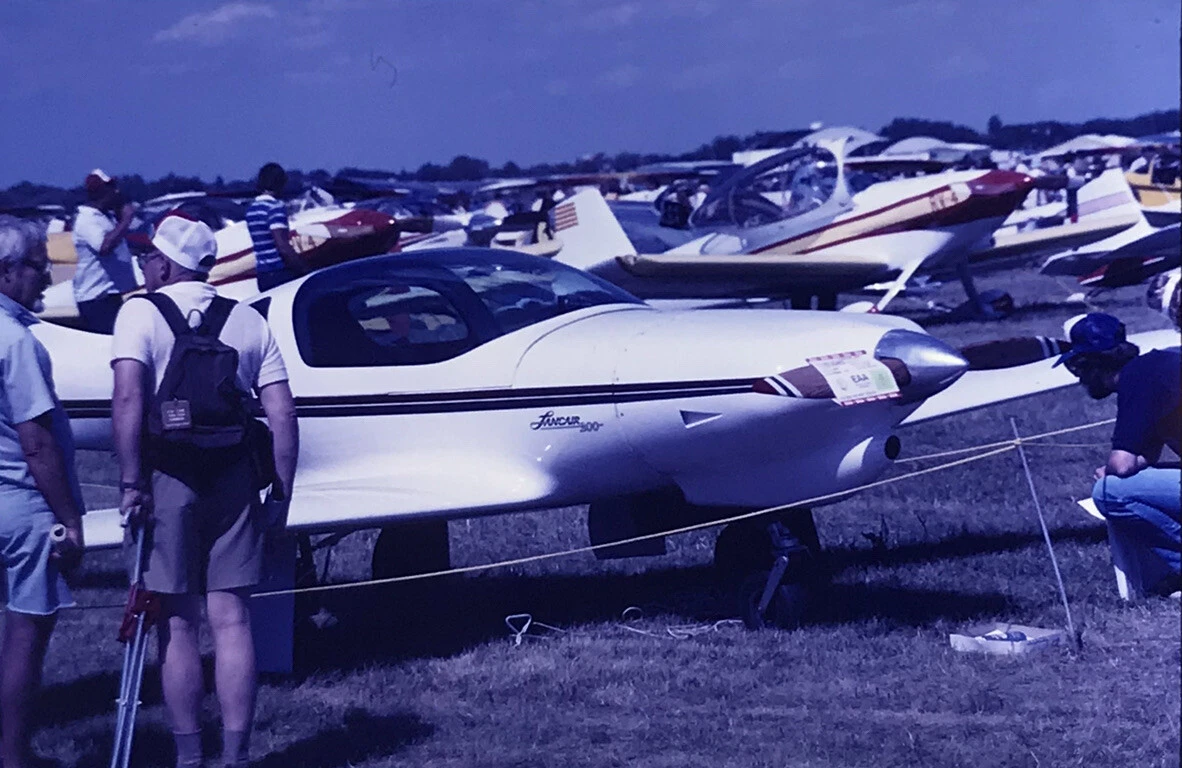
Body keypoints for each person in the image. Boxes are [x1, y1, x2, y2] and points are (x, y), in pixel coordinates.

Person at [111, 214, 299, 767]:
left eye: (149, 257)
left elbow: (127, 400)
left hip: (168, 477)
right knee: (234, 619)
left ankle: (190, 758)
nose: (145, 265)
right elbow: (283, 415)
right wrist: (280, 496)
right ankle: (237, 756)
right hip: (234, 476)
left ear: (166, 263)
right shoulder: (248, 319)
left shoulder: (139, 313)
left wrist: (128, 482)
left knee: (178, 621)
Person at [0, 215, 85, 768]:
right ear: (6, 272)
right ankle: (12, 755)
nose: (48, 281)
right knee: (25, 638)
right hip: (22, 507)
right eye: (38, 267)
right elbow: (37, 444)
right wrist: (71, 519)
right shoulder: (17, 343)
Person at [1056, 312, 1181, 599]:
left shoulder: (1136, 379)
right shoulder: (1156, 367)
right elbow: (1144, 457)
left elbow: (1123, 466)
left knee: (1111, 492)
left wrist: (1110, 471)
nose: (1079, 379)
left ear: (1089, 363)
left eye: (1076, 369)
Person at [72, 169, 138, 333]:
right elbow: (103, 246)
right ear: (102, 192)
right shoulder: (87, 219)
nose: (116, 192)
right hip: (97, 298)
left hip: (111, 295)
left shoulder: (103, 217)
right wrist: (126, 220)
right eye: (111, 188)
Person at [246, 162, 304, 292]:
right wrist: (302, 269)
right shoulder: (275, 207)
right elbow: (282, 246)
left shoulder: (252, 209)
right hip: (279, 272)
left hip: (262, 275)